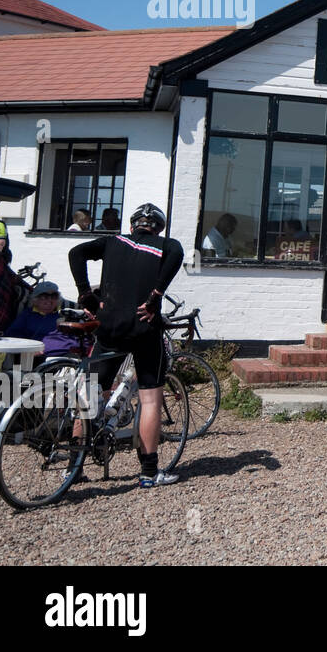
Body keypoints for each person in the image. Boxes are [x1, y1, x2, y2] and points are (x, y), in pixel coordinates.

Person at [69, 203, 184, 487]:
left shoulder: (113, 242)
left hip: (109, 326)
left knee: (89, 394)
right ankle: (148, 472)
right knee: (149, 399)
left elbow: (76, 253)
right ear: (158, 228)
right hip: (143, 326)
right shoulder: (163, 245)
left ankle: (73, 468)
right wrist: (156, 295)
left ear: (132, 226)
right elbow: (178, 252)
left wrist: (86, 294)